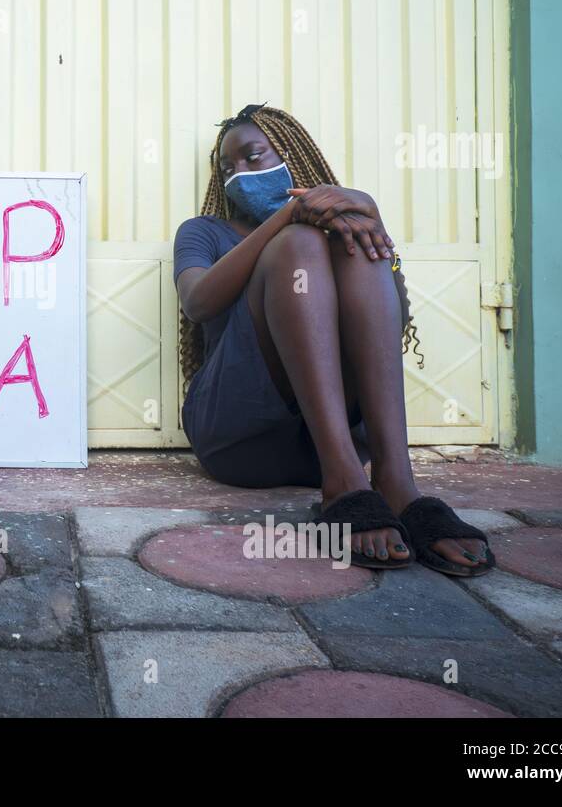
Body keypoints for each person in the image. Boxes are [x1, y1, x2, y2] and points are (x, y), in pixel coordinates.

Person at [173, 103, 494, 576]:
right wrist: (286, 220)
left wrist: (373, 218)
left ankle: (397, 482)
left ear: (293, 157)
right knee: (300, 243)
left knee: (353, 237)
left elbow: (392, 321)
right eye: (227, 168)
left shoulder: (343, 232)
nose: (238, 174)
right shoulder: (204, 231)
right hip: (239, 440)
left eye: (253, 157)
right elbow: (197, 302)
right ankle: (342, 486)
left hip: (342, 438)